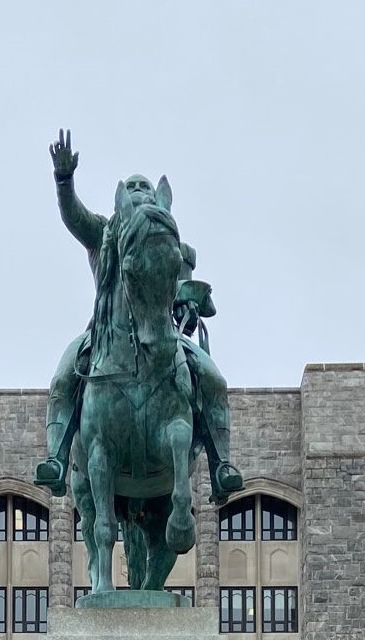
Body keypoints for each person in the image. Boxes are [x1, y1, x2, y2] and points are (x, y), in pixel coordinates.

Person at [35, 128, 242, 501]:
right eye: (131, 186)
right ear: (120, 200)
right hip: (104, 335)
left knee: (213, 379)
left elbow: (179, 288)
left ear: (159, 198)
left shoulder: (171, 240)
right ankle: (56, 459)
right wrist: (64, 180)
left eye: (144, 186)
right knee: (64, 375)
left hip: (163, 334)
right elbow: (72, 215)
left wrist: (189, 303)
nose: (137, 191)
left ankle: (220, 463)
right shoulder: (103, 232)